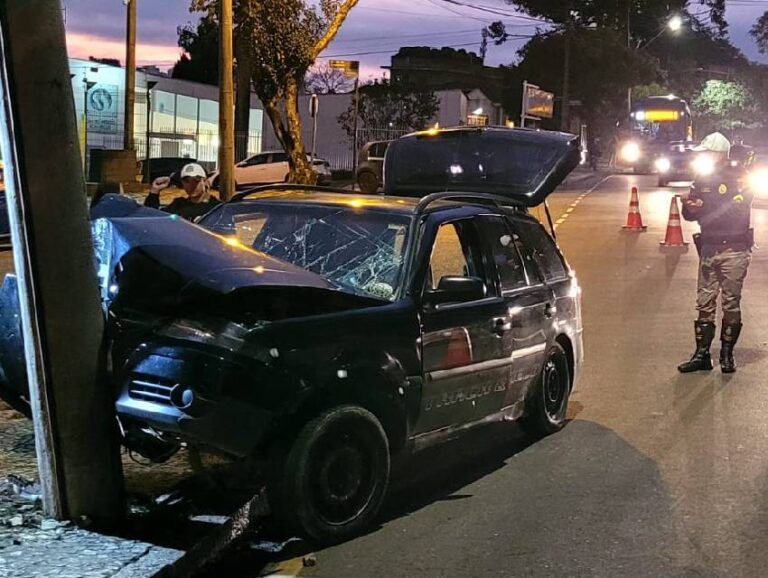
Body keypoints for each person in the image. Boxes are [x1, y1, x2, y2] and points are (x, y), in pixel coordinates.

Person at [678, 132, 753, 374]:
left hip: (734, 249)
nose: (704, 158)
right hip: (709, 247)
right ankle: (702, 354)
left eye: (707, 153)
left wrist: (705, 206)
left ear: (719, 154)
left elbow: (736, 210)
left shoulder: (740, 176)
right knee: (704, 302)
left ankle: (727, 354)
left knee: (731, 302)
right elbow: (692, 214)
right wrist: (688, 207)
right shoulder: (702, 178)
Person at [145, 162, 220, 220]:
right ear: (182, 183)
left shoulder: (216, 208)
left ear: (204, 181)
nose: (191, 185)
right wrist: (154, 192)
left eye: (196, 181)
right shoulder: (178, 206)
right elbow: (152, 217)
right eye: (187, 181)